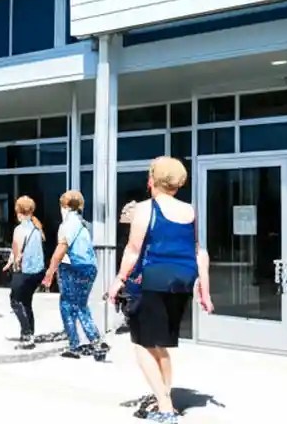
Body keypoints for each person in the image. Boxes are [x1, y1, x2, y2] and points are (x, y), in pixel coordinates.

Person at [106, 157, 214, 424]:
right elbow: (199, 251)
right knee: (161, 344)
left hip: (150, 281)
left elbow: (133, 250)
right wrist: (205, 291)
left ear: (152, 179)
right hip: (182, 282)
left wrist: (118, 280)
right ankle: (163, 397)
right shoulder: (190, 210)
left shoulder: (145, 209)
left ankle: (165, 407)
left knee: (142, 344)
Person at [41, 190, 106, 359]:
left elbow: (61, 249)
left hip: (72, 268)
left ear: (65, 206)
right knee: (81, 305)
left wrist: (50, 272)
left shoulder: (67, 224)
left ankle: (74, 345)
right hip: (90, 267)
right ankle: (96, 342)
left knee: (67, 306)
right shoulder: (84, 224)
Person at [0, 195, 46, 350]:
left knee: (16, 301)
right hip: (37, 272)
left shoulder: (19, 229)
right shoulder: (37, 228)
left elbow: (16, 252)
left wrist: (9, 264)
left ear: (18, 210)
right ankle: (29, 332)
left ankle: (27, 335)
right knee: (26, 302)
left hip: (24, 272)